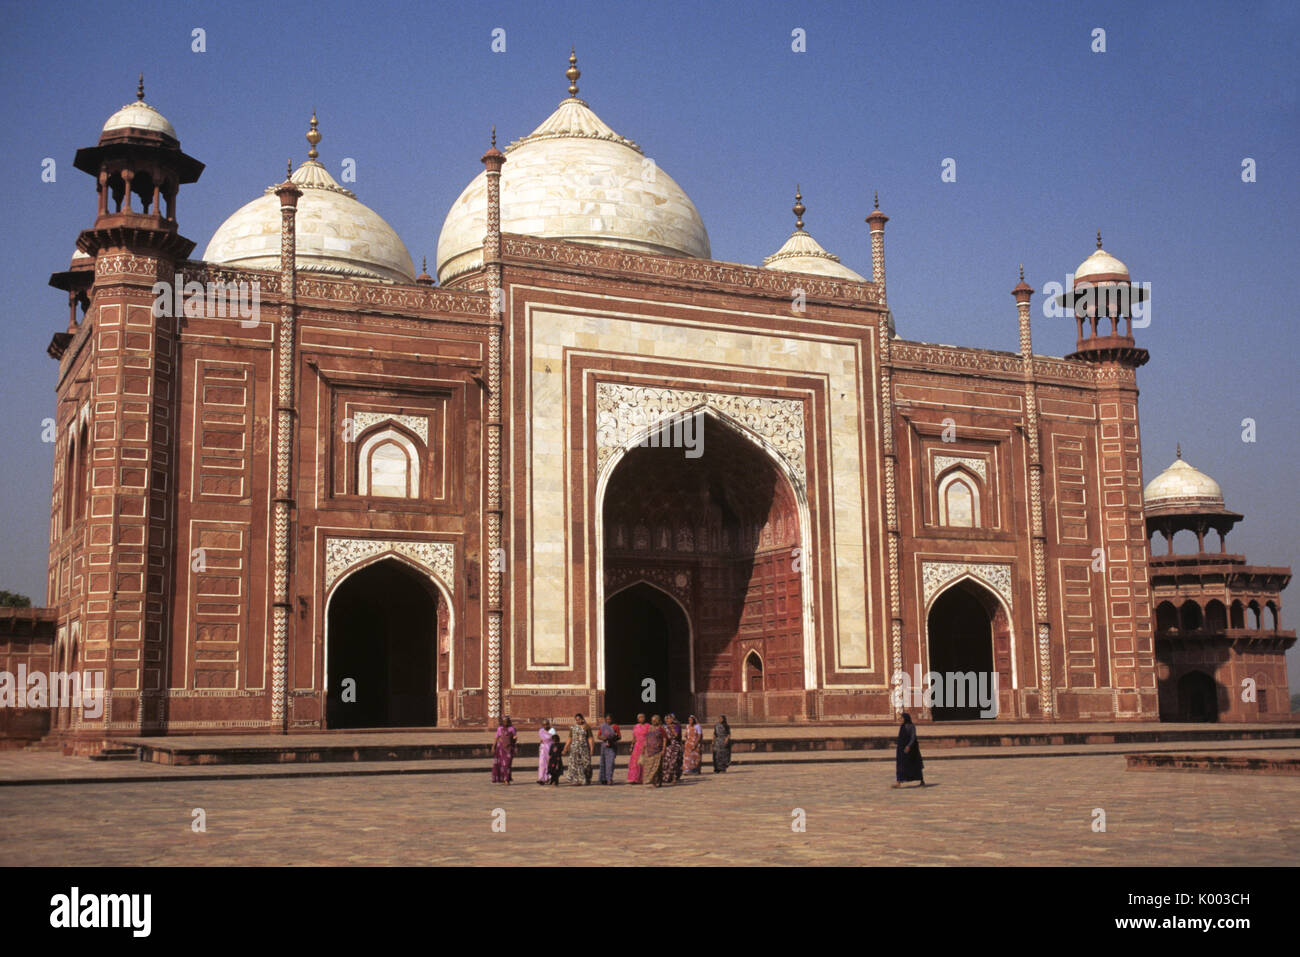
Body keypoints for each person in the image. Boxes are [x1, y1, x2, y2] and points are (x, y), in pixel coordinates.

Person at [894, 712, 925, 787]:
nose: (900, 719)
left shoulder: (911, 726)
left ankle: (921, 780)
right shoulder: (902, 726)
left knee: (914, 765)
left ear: (905, 718)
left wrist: (908, 746)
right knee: (901, 765)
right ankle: (898, 782)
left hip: (911, 750)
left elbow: (913, 737)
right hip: (901, 749)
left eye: (902, 718)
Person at [563, 713, 594, 785]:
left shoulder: (587, 727)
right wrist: (565, 748)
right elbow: (570, 738)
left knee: (585, 764)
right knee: (575, 764)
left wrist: (592, 749)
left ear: (582, 719)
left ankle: (585, 779)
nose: (578, 721)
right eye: (576, 720)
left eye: (579, 719)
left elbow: (590, 739)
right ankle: (576, 780)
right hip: (574, 749)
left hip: (584, 749)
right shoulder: (573, 728)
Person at [640, 714, 665, 787]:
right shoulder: (649, 728)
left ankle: (658, 781)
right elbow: (646, 738)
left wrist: (663, 749)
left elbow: (664, 739)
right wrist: (644, 748)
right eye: (652, 720)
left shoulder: (661, 729)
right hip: (649, 751)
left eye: (655, 720)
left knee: (657, 767)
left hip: (658, 751)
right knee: (650, 767)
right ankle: (653, 782)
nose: (653, 722)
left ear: (658, 721)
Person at [491, 715, 517, 784]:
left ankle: (507, 778)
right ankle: (505, 779)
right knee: (502, 764)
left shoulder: (512, 729)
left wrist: (514, 742)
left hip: (509, 748)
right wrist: (493, 746)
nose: (505, 723)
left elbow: (515, 738)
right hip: (501, 748)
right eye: (504, 721)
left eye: (507, 721)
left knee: (507, 764)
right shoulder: (500, 729)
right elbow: (497, 737)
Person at [597, 714, 621, 784]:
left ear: (612, 719)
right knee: (603, 762)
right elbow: (598, 736)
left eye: (609, 719)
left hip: (612, 747)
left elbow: (619, 736)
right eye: (607, 719)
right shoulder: (603, 726)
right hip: (604, 747)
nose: (608, 721)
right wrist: (603, 738)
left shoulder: (615, 727)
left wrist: (613, 738)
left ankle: (609, 779)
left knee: (610, 763)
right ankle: (603, 779)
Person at [662, 713, 684, 784]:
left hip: (676, 746)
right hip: (668, 746)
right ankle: (667, 777)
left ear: (673, 719)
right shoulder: (664, 727)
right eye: (666, 719)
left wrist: (671, 728)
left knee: (674, 762)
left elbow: (676, 735)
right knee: (667, 762)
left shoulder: (677, 726)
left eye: (669, 718)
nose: (667, 720)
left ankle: (674, 778)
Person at [627, 713, 648, 784]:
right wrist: (631, 746)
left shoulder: (648, 726)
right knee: (635, 763)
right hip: (637, 746)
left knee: (643, 763)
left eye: (642, 717)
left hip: (645, 746)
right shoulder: (636, 726)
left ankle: (642, 778)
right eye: (640, 717)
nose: (641, 719)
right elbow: (634, 737)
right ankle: (634, 779)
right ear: (638, 719)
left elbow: (650, 737)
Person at [536, 719, 554, 785]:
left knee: (549, 763)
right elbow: (543, 739)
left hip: (550, 748)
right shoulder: (541, 731)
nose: (545, 726)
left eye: (547, 724)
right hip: (543, 749)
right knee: (541, 763)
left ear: (549, 724)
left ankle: (549, 777)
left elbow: (555, 739)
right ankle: (541, 778)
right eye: (544, 725)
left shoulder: (552, 730)